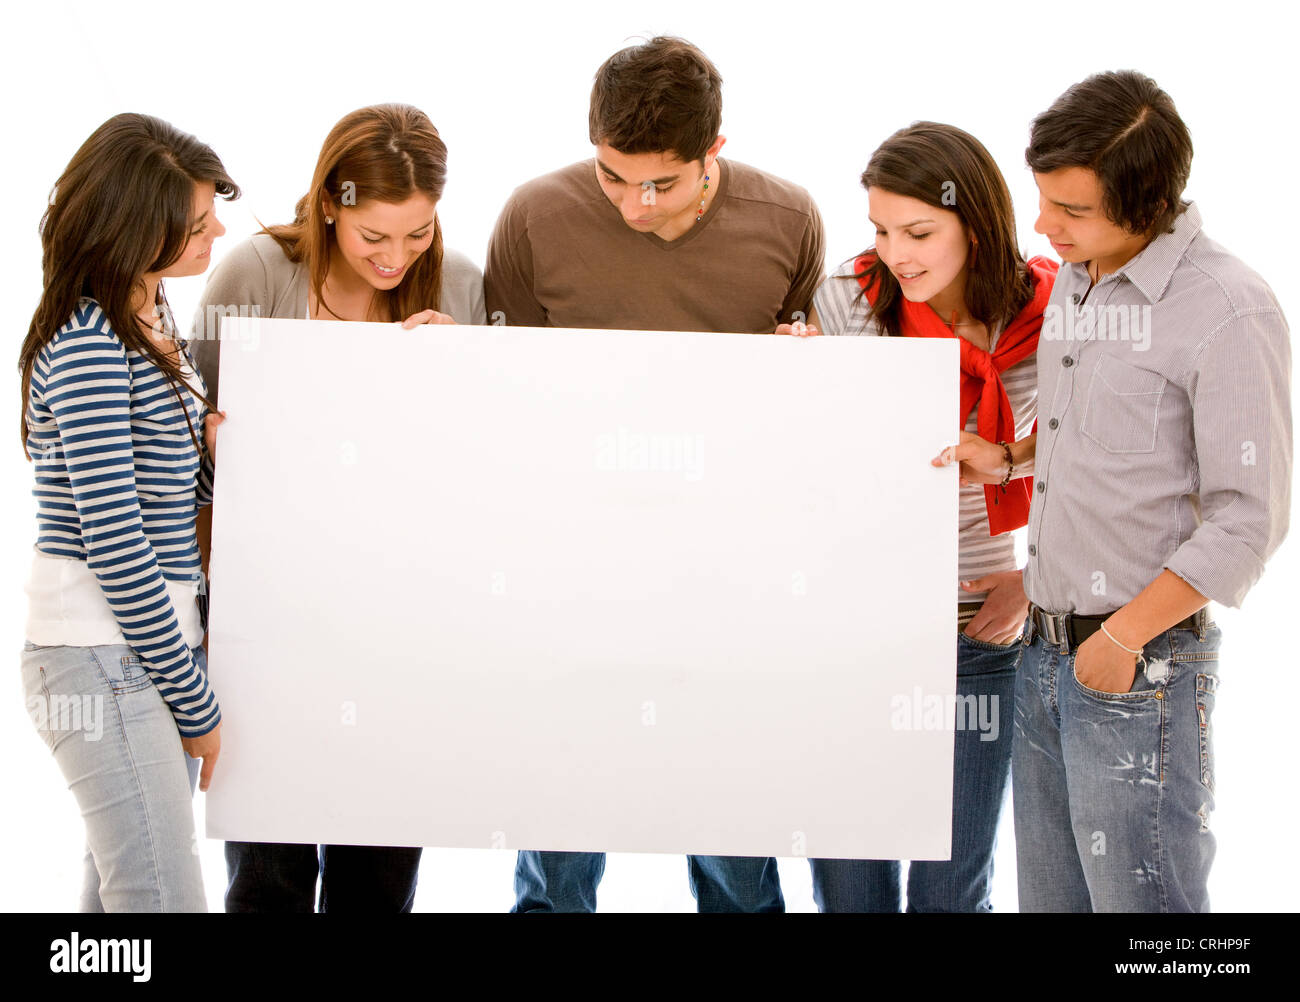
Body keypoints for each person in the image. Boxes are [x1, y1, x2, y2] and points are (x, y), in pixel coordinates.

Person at [936, 70, 1292, 911]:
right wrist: (1011, 458)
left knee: (1150, 920)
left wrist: (1122, 641)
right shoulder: (1079, 277)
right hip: (1042, 655)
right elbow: (1093, 441)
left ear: (1149, 204)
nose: (1042, 226)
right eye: (1044, 200)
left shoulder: (1230, 312)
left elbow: (1250, 521)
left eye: (1071, 210)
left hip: (1140, 666)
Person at [486, 35, 825, 913]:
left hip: (726, 567)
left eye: (661, 183)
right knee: (557, 820)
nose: (633, 205)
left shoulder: (787, 219)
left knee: (730, 827)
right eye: (611, 176)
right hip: (570, 562)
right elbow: (505, 395)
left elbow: (801, 412)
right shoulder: (533, 214)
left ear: (715, 149)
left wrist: (810, 364)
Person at [188, 103, 486, 912]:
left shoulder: (458, 282)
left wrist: (454, 381)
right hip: (267, 613)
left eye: (418, 233)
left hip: (401, 618)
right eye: (373, 237)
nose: (397, 258)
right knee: (269, 870)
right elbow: (185, 444)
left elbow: (488, 469)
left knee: (380, 866)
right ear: (329, 203)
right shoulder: (254, 275)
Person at [805, 122, 1057, 911]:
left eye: (918, 232)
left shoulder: (1058, 312)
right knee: (851, 890)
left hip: (975, 623)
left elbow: (1090, 458)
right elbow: (818, 472)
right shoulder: (848, 300)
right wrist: (796, 390)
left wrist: (1031, 580)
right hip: (857, 628)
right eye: (880, 230)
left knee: (952, 888)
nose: (895, 253)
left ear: (977, 228)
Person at [18, 113, 237, 911]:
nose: (217, 228)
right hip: (102, 659)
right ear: (131, 228)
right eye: (196, 222)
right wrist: (197, 703)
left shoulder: (153, 318)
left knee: (117, 905)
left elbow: (169, 508)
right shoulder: (88, 338)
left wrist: (211, 461)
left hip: (142, 651)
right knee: (158, 899)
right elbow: (115, 542)